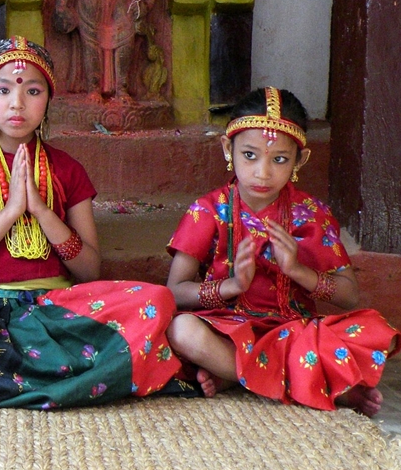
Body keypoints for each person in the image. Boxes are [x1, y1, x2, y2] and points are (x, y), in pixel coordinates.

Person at [0, 36, 184, 409]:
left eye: (32, 91)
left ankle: (31, 380)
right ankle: (75, 380)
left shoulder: (68, 170)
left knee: (156, 299)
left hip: (56, 306)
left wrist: (43, 211)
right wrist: (10, 212)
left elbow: (90, 271)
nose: (17, 103)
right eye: (3, 90)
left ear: (47, 101)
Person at [165, 86, 399, 416]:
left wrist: (298, 271)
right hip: (225, 329)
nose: (263, 172)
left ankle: (236, 375)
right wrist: (230, 287)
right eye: (250, 155)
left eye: (279, 159)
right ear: (227, 148)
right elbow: (173, 293)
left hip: (292, 333)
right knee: (180, 330)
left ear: (299, 160)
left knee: (379, 334)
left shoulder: (311, 213)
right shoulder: (207, 210)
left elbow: (349, 297)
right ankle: (318, 384)